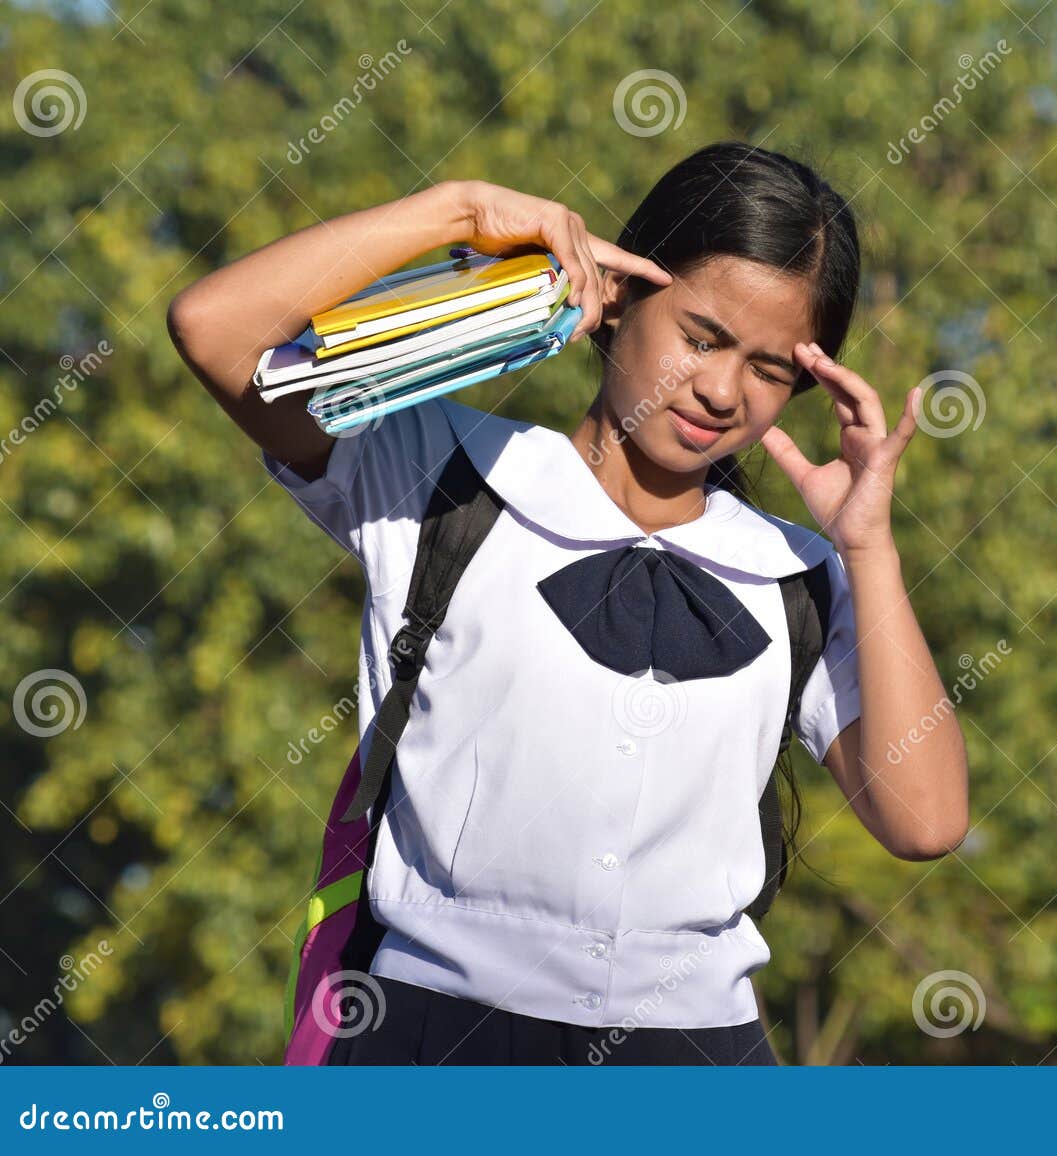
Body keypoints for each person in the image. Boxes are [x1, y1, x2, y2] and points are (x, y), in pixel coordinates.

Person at [167, 141, 970, 1065]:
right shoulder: (441, 471)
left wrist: (868, 546)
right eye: (701, 337)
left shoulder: (797, 573)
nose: (721, 390)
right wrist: (464, 210)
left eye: (769, 368)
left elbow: (926, 820)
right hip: (430, 1045)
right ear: (621, 292)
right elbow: (213, 327)